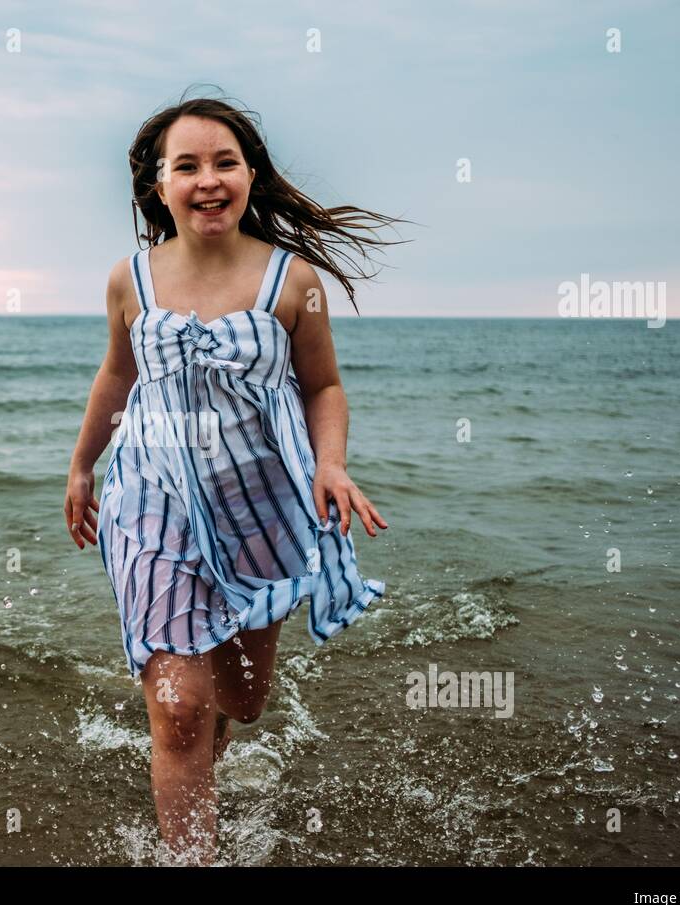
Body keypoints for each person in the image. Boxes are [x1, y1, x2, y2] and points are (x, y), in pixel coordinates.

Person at [64, 92, 406, 865]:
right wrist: (84, 465)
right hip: (153, 505)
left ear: (252, 174)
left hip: (260, 510)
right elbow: (118, 376)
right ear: (159, 185)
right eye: (187, 165)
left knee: (242, 702)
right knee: (181, 710)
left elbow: (322, 386)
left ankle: (195, 755)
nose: (208, 179)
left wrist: (331, 463)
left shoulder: (293, 282)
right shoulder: (131, 280)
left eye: (225, 162)